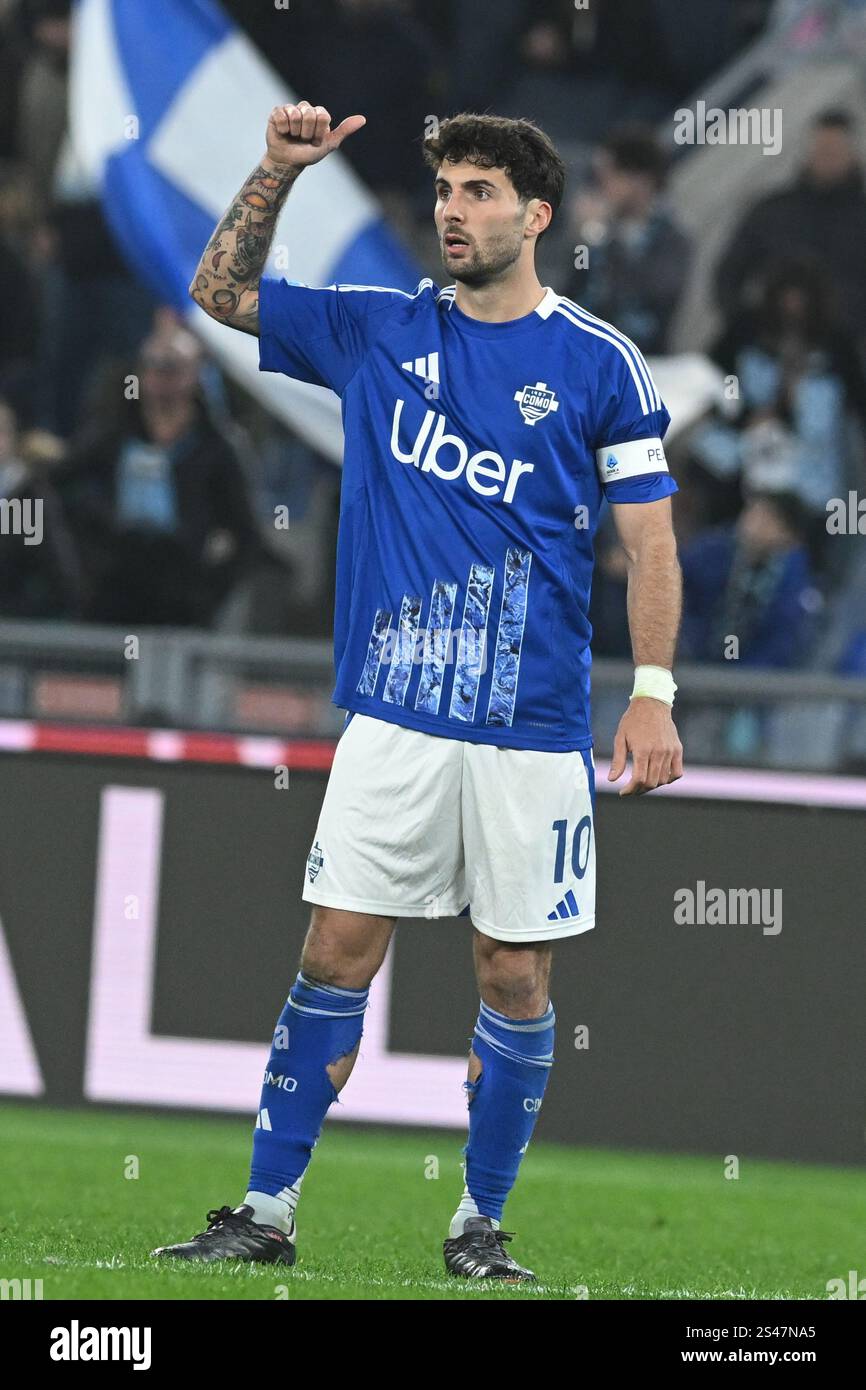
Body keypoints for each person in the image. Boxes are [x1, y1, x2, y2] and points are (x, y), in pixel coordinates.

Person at [151, 103, 684, 1281]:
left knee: (513, 973)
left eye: (480, 190)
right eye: (444, 189)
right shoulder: (374, 331)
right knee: (335, 951)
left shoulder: (597, 362)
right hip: (392, 716)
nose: (452, 209)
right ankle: (265, 1208)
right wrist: (276, 170)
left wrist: (650, 688)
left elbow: (648, 544)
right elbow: (221, 293)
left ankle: (477, 1223)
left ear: (535, 214)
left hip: (532, 728)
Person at [714, 109, 866, 339]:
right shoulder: (772, 210)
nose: (826, 158)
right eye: (821, 149)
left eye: (834, 151)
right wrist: (746, 327)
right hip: (771, 346)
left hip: (849, 351)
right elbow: (728, 274)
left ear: (853, 154)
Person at [568, 125, 692, 354]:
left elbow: (645, 298)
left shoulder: (672, 243)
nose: (601, 188)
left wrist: (599, 237)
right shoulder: (595, 233)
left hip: (640, 362)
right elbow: (570, 294)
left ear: (639, 180)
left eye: (608, 177)